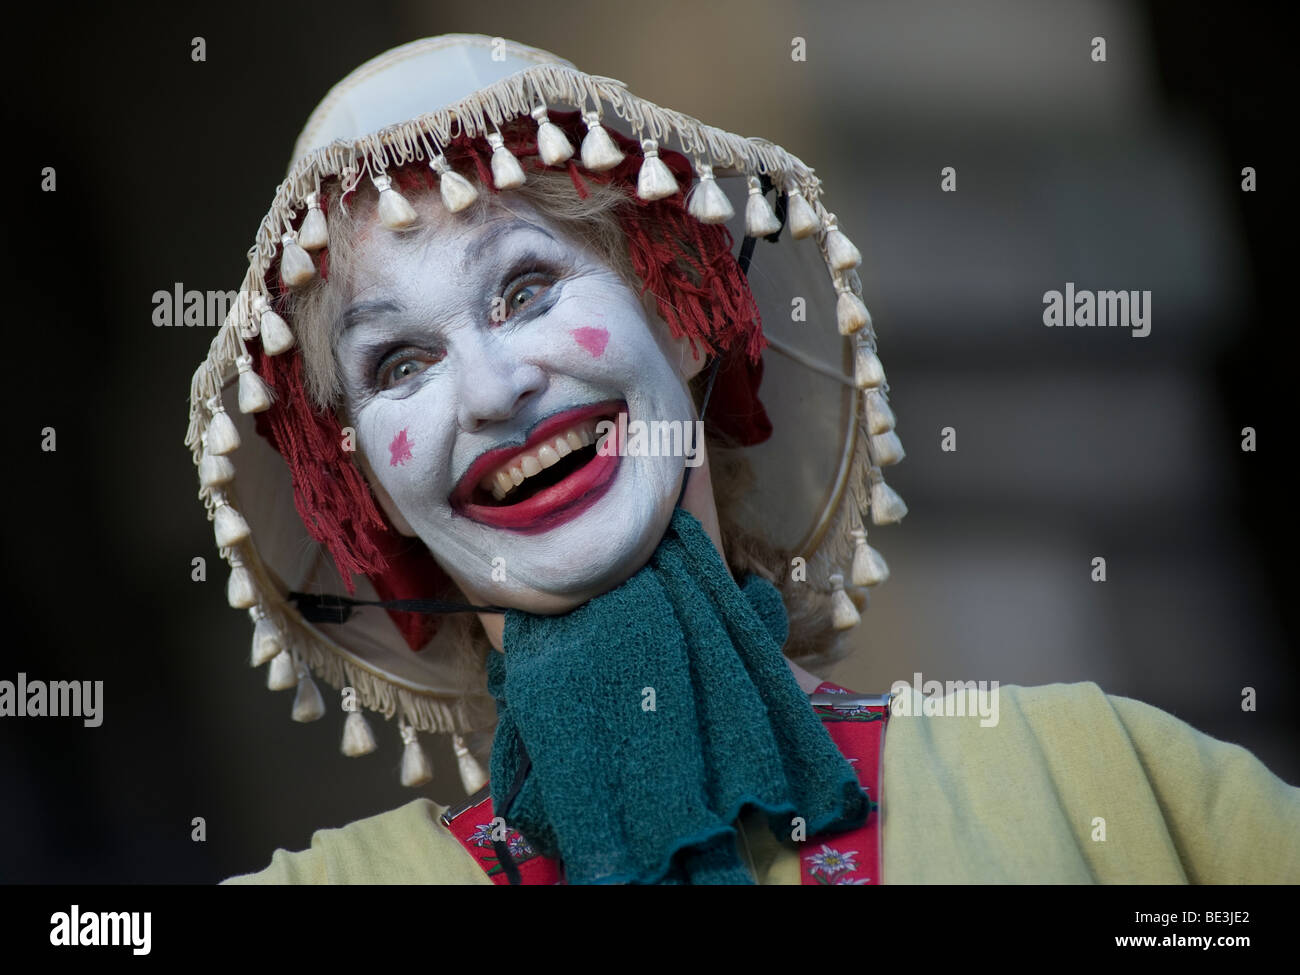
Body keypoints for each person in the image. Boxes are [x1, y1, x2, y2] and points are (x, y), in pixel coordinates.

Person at [189, 35, 1300, 884]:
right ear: (366, 488)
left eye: (525, 290)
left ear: (683, 311)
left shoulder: (1103, 784)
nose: (491, 393)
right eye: (397, 366)